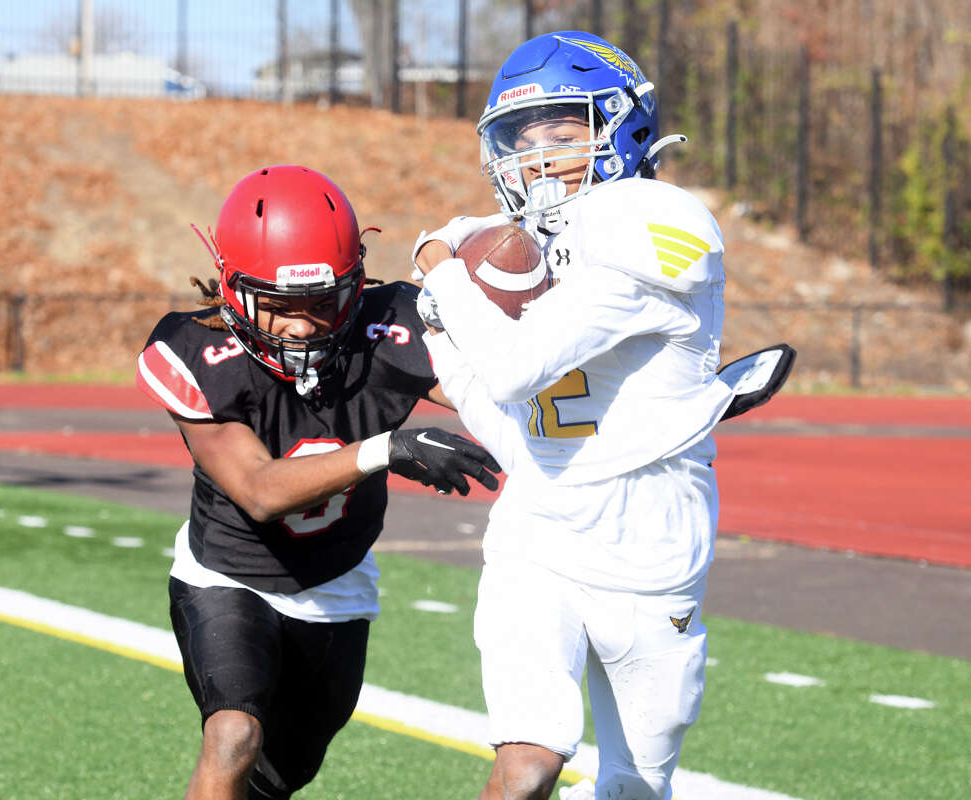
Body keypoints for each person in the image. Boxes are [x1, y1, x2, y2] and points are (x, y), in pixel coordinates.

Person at [413, 32, 733, 800]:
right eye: (522, 140)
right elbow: (502, 399)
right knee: (526, 764)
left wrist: (439, 269)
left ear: (623, 127)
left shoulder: (655, 218)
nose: (540, 158)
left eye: (564, 133)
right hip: (540, 525)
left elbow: (519, 364)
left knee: (634, 787)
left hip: (652, 535)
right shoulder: (517, 241)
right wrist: (441, 322)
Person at [136, 164, 500, 800]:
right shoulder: (197, 351)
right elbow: (259, 491)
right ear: (231, 287)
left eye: (321, 303)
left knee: (282, 776)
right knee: (232, 737)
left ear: (356, 284)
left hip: (337, 583)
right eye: (278, 307)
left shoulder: (389, 329)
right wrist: (388, 448)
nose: (302, 326)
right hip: (228, 572)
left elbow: (498, 396)